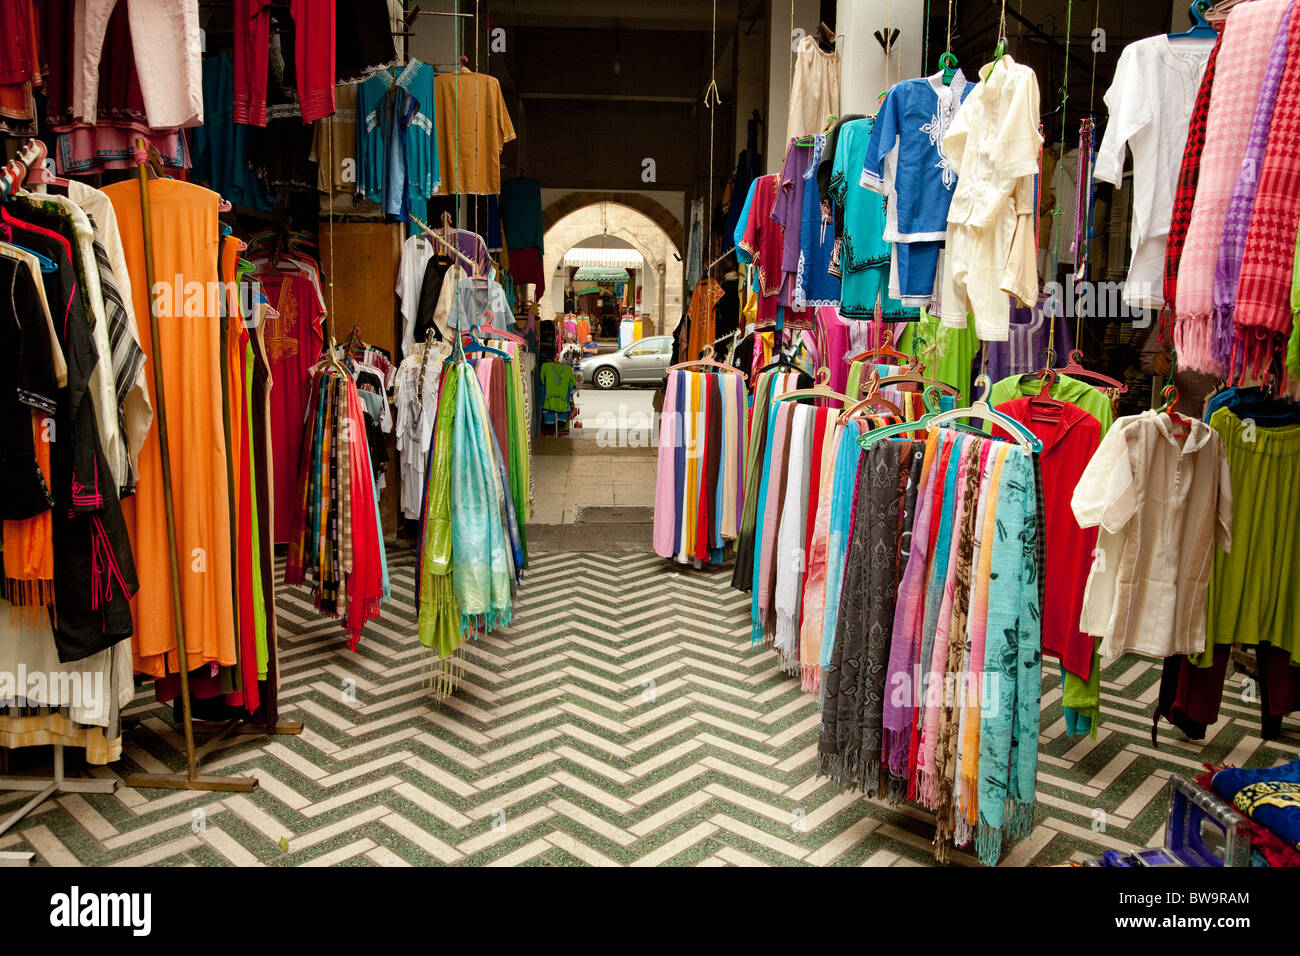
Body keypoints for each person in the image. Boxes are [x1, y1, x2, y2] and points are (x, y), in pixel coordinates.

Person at [1139, 323, 1219, 418]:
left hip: (1223, 411)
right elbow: (1147, 358)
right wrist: (1156, 360)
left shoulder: (1230, 316)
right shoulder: (1174, 314)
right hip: (1182, 412)